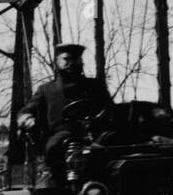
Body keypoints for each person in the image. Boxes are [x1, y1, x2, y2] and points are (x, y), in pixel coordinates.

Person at [18, 44, 113, 185]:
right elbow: (25, 112)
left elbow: (111, 109)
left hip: (95, 137)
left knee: (112, 142)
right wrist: (28, 119)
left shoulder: (95, 87)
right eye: (66, 59)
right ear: (57, 61)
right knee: (63, 143)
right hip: (61, 140)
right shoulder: (46, 90)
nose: (72, 64)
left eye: (76, 59)